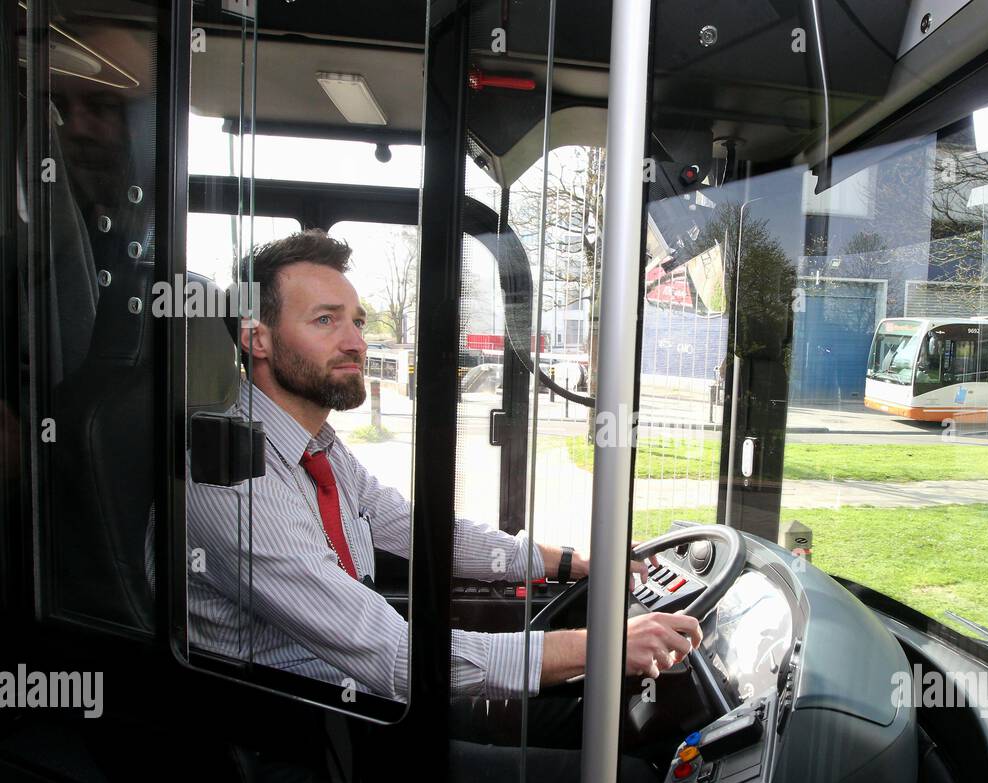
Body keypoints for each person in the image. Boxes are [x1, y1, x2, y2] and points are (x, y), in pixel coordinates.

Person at [186, 229, 703, 703]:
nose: (357, 343)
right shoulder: (228, 476)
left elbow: (425, 533)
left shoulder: (317, 448)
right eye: (326, 320)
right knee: (631, 780)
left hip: (366, 710)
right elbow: (393, 656)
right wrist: (603, 647)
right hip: (306, 745)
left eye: (358, 322)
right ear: (257, 338)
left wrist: (568, 562)